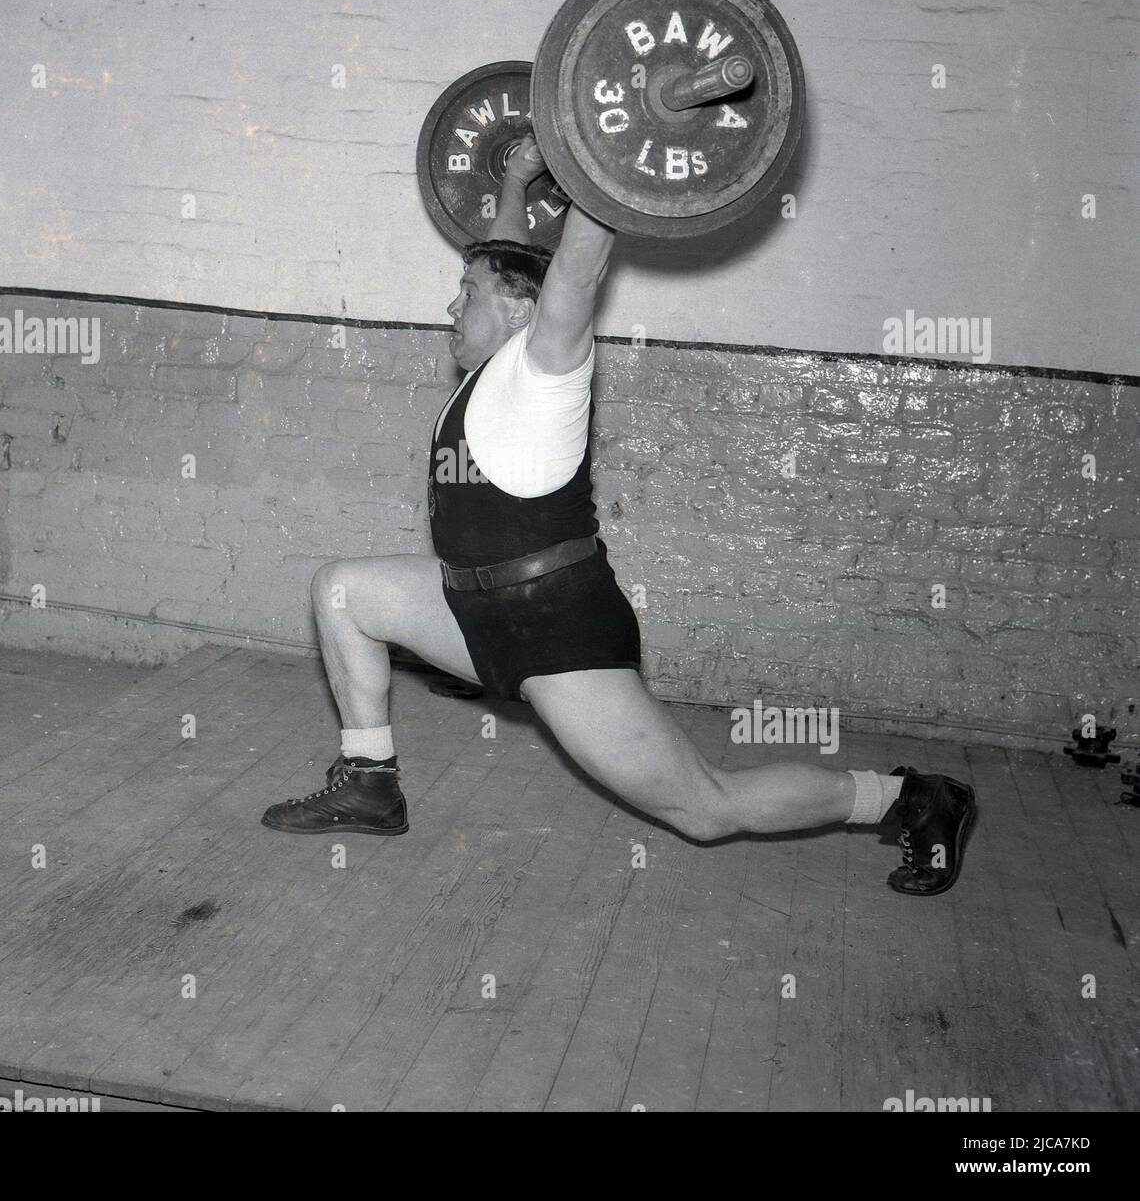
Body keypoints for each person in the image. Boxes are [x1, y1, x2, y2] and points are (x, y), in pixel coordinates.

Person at [262, 137, 976, 896]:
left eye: (466, 290)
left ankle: (910, 798)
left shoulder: (545, 367)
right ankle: (371, 780)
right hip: (474, 610)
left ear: (517, 308)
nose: (451, 302)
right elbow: (518, 258)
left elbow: (574, 268)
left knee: (704, 806)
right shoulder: (490, 375)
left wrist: (611, 152)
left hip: (555, 632)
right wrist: (515, 177)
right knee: (342, 589)